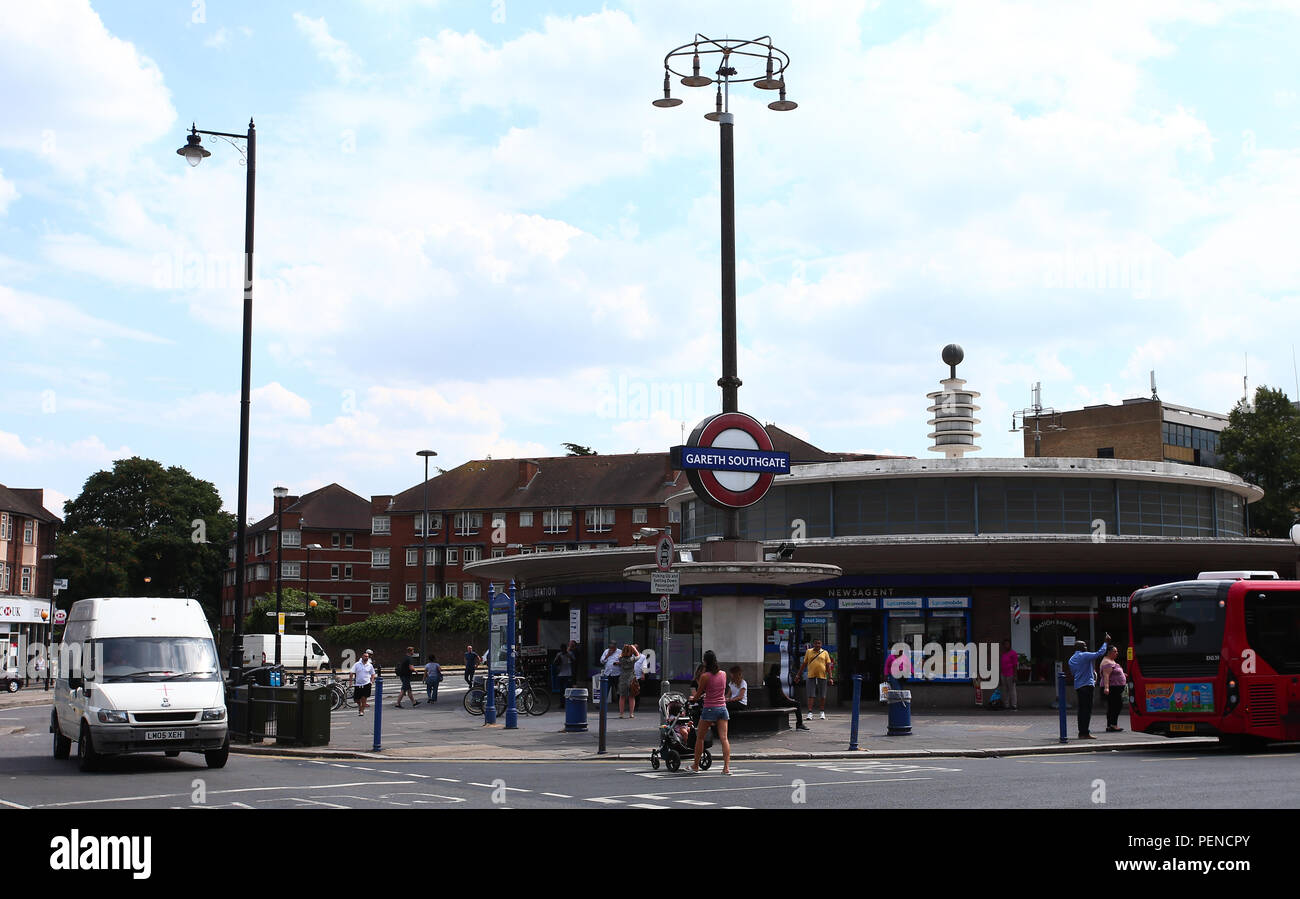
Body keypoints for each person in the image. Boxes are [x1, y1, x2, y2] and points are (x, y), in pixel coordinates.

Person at [689, 650, 732, 774]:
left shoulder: (705, 676)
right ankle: (726, 768)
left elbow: (698, 694)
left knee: (700, 738)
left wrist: (693, 698)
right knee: (724, 738)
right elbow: (721, 691)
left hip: (709, 709)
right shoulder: (723, 674)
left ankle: (695, 766)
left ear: (705, 661)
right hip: (722, 708)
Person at [1068, 633, 1110, 739]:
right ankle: (1085, 733)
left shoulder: (1071, 659)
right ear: (1081, 648)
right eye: (1085, 646)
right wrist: (1106, 642)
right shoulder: (1084, 655)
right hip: (1087, 686)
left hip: (1078, 686)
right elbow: (1099, 653)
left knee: (1081, 710)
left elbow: (1073, 673)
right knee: (1087, 710)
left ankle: (1081, 732)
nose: (1086, 647)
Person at [796, 638, 835, 720]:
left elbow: (828, 666)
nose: (817, 645)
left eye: (819, 643)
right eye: (816, 643)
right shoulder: (809, 651)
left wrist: (830, 677)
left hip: (822, 675)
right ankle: (810, 712)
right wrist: (798, 675)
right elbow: (804, 664)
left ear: (821, 645)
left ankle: (822, 712)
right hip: (811, 675)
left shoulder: (825, 652)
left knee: (823, 695)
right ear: (813, 644)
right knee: (811, 695)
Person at [764, 664, 809, 730]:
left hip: (772, 701)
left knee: (791, 703)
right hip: (778, 702)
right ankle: (799, 724)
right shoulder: (777, 680)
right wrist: (790, 699)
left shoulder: (767, 679)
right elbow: (781, 693)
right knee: (797, 704)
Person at [1099, 645, 1127, 732]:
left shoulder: (1111, 661)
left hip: (1115, 687)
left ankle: (1110, 725)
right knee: (1117, 705)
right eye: (1115, 651)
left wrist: (1122, 675)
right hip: (1112, 688)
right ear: (1109, 652)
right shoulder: (1107, 662)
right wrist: (1107, 688)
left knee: (1112, 706)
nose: (1117, 653)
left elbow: (1113, 672)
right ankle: (1113, 724)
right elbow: (1106, 676)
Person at [351, 650, 376, 716]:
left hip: (366, 684)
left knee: (364, 698)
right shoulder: (357, 664)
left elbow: (373, 673)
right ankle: (360, 706)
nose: (366, 657)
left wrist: (372, 681)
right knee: (356, 699)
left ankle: (362, 711)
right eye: (365, 656)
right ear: (362, 657)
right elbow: (351, 672)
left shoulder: (369, 665)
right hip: (358, 684)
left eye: (367, 656)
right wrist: (351, 682)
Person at [617, 644, 639, 718]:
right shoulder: (632, 659)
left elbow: (620, 655)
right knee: (631, 696)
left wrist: (625, 649)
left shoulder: (621, 659)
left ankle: (621, 714)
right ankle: (631, 713)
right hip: (631, 679)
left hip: (623, 679)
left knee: (622, 697)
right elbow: (638, 655)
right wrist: (633, 649)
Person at [999, 645, 1020, 711]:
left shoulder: (1013, 653)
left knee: (1012, 690)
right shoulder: (1003, 653)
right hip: (1003, 674)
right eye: (1005, 644)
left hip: (1010, 674)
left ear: (1010, 646)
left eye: (1007, 644)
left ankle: (1014, 705)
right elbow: (1001, 664)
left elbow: (1015, 665)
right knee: (1005, 690)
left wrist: (1015, 675)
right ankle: (1006, 705)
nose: (1006, 646)